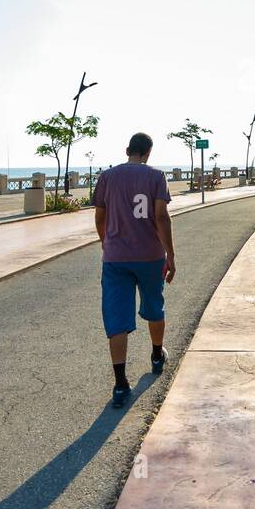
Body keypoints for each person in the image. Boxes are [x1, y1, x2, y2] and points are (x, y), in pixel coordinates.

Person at [93, 132, 176, 408]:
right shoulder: (156, 177)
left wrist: (108, 243)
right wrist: (170, 255)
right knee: (154, 305)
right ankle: (156, 355)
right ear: (148, 153)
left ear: (127, 149)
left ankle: (120, 384)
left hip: (115, 258)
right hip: (150, 256)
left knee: (117, 318)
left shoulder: (107, 177)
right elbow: (162, 217)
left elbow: (100, 216)